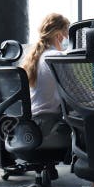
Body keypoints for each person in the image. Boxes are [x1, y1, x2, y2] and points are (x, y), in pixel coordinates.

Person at [21, 12, 72, 149]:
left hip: (32, 124)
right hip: (49, 126)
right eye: (67, 33)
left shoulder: (35, 57)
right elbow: (74, 91)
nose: (68, 38)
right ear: (58, 35)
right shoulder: (56, 57)